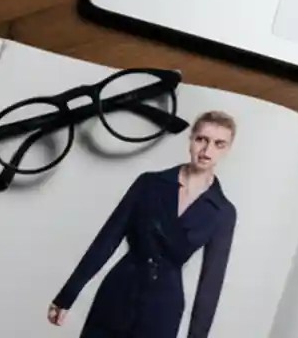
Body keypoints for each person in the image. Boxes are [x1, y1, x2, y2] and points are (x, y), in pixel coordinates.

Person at [46, 110, 239, 338]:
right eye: (201, 140)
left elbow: (211, 283)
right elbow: (107, 239)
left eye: (218, 144)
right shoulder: (149, 183)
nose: (207, 150)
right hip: (117, 294)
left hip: (162, 310)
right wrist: (67, 295)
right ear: (191, 139)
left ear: (228, 149)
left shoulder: (223, 212)